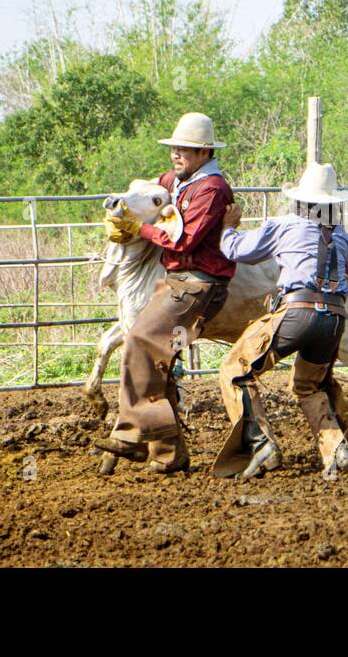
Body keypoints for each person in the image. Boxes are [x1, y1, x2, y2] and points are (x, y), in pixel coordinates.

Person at [91, 112, 235, 474]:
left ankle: (131, 435)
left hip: (199, 283)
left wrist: (139, 228)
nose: (176, 154)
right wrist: (123, 208)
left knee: (138, 338)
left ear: (204, 153)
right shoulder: (180, 180)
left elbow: (183, 239)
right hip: (176, 282)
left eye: (184, 149)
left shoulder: (212, 189)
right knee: (158, 361)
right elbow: (149, 190)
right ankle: (169, 454)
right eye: (174, 148)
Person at [211, 161, 348, 481]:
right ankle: (336, 447)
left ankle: (260, 444)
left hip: (297, 312)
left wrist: (227, 228)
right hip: (334, 320)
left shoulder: (284, 226)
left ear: (301, 200)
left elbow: (239, 250)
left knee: (236, 368)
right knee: (308, 386)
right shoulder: (345, 237)